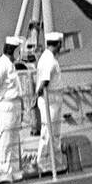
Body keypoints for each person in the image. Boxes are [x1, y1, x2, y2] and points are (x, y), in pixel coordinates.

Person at [0, 35, 24, 183]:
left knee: (14, 139)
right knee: (6, 140)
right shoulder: (1, 65)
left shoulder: (10, 64)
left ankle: (14, 171)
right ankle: (3, 172)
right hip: (5, 105)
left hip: (14, 104)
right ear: (13, 51)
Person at [34, 31, 63, 173]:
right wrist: (38, 94)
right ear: (57, 44)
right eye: (60, 45)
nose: (60, 47)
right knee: (48, 132)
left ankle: (56, 162)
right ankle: (42, 162)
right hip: (49, 100)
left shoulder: (49, 57)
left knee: (55, 133)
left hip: (54, 99)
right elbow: (44, 81)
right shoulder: (48, 60)